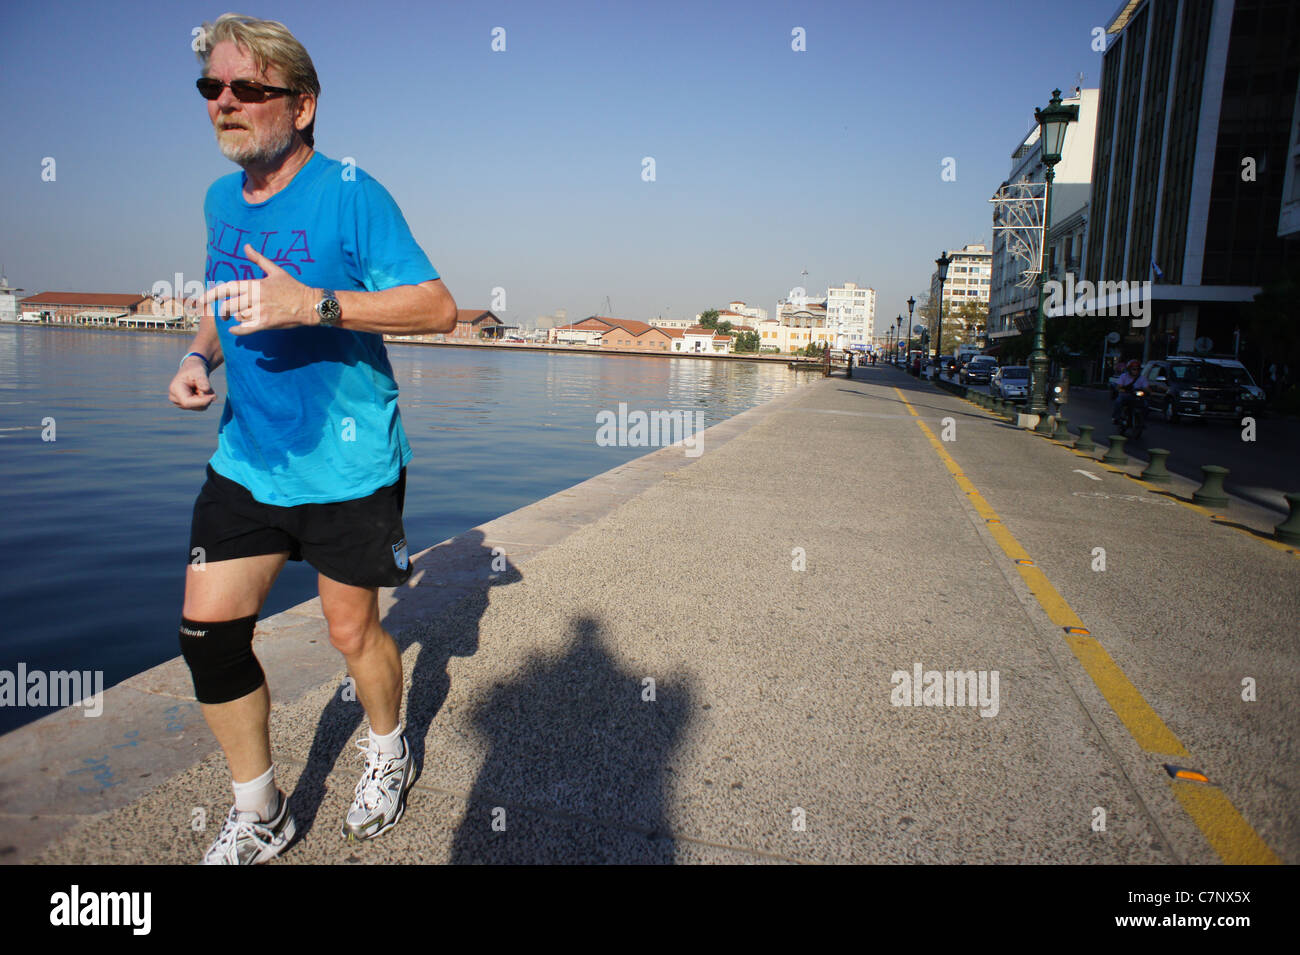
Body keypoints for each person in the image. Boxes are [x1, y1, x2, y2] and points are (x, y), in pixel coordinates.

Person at [167, 13, 457, 864]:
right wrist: (197, 353)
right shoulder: (221, 199)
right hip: (249, 456)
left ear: (301, 106)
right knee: (207, 633)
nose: (226, 102)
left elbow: (438, 307)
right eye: (213, 88)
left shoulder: (352, 192)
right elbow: (225, 297)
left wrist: (314, 303)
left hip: (349, 459)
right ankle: (261, 810)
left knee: (351, 632)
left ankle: (389, 746)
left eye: (248, 89)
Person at [1111, 359, 1148, 425]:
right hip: (1125, 395)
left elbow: (1146, 388)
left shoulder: (1142, 378)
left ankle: (1142, 420)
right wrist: (1121, 389)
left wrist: (1149, 391)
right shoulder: (1123, 376)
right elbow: (1118, 386)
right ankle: (1116, 418)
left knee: (1146, 404)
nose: (1135, 371)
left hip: (1137, 396)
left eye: (1137, 369)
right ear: (1129, 369)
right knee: (1118, 401)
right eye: (1133, 369)